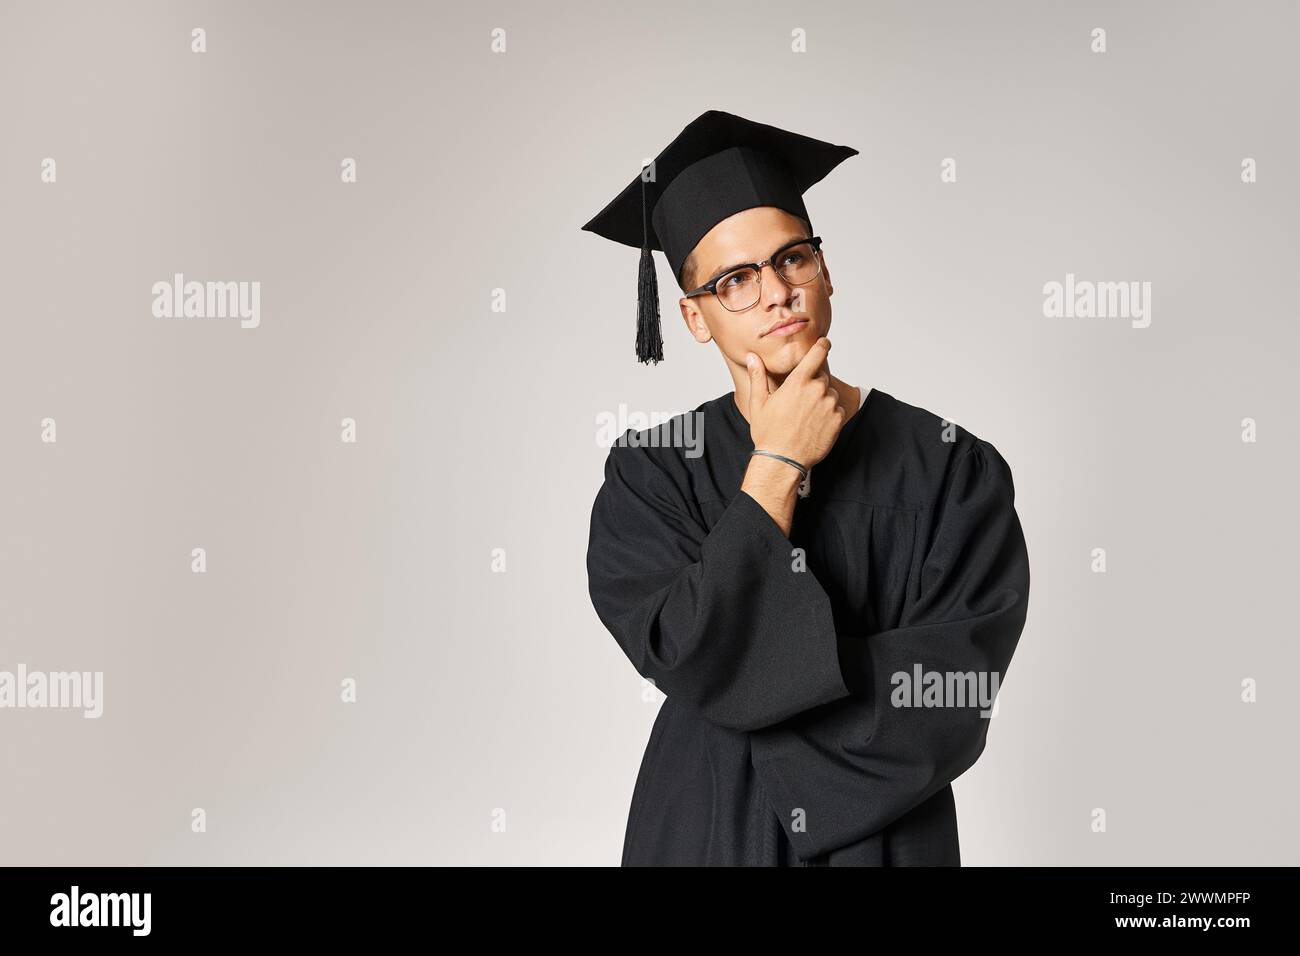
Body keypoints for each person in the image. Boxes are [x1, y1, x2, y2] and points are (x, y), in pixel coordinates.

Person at [582, 110, 1031, 866]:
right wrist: (778, 467)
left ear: (826, 272)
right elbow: (685, 651)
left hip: (882, 838)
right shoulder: (652, 471)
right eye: (735, 279)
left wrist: (753, 705)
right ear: (693, 317)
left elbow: (951, 693)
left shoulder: (952, 466)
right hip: (700, 827)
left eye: (793, 258)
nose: (775, 293)